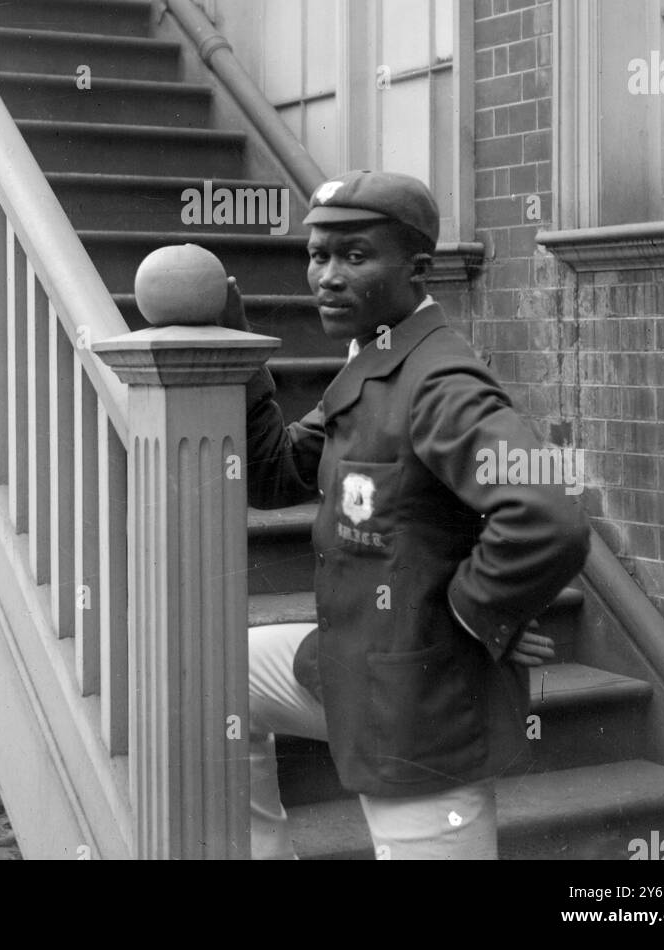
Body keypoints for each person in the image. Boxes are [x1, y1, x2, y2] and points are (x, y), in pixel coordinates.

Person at [223, 170, 590, 860]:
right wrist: (239, 355)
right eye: (317, 254)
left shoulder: (438, 382)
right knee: (218, 675)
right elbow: (277, 475)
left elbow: (547, 512)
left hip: (419, 708)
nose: (326, 276)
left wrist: (473, 615)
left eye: (354, 256)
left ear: (417, 269)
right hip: (361, 663)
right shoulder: (374, 365)